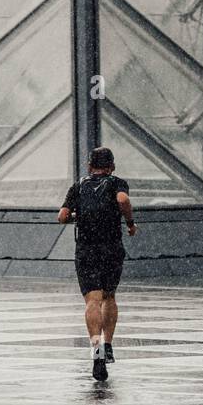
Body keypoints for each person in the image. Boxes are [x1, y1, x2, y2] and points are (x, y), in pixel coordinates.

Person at [58, 147, 136, 382]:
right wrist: (130, 222)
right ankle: (108, 344)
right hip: (111, 247)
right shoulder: (117, 183)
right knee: (109, 297)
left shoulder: (78, 186)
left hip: (86, 249)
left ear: (90, 166)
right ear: (111, 166)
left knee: (92, 300)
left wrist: (78, 215)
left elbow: (62, 217)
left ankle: (95, 345)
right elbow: (123, 199)